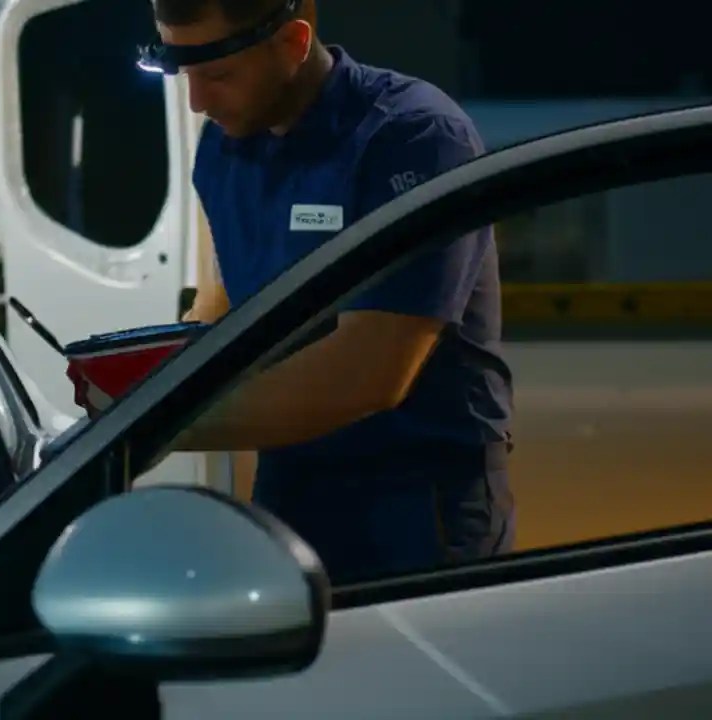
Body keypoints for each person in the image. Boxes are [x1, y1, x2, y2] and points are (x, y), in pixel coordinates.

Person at [147, 0, 515, 583]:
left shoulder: (412, 138)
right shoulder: (224, 146)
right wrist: (133, 380)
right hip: (290, 478)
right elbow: (219, 308)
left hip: (417, 498)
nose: (198, 102)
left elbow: (368, 373)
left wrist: (159, 426)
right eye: (185, 75)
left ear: (293, 42)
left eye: (217, 75)